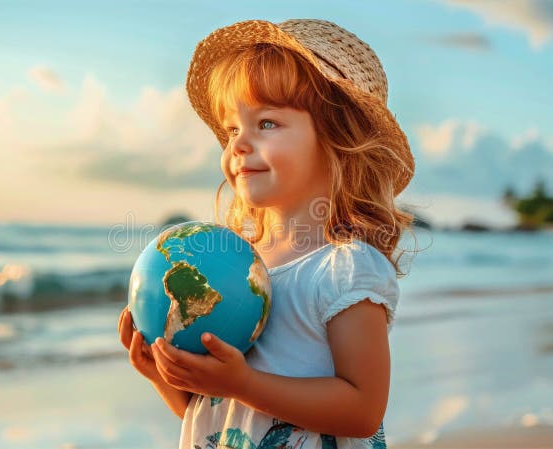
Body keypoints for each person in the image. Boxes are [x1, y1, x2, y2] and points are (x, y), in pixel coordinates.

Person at [118, 18, 417, 449]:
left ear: (336, 138)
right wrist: (165, 376)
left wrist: (243, 383)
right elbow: (214, 414)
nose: (238, 144)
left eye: (267, 124)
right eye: (232, 129)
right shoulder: (234, 269)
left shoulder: (345, 269)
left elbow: (363, 411)